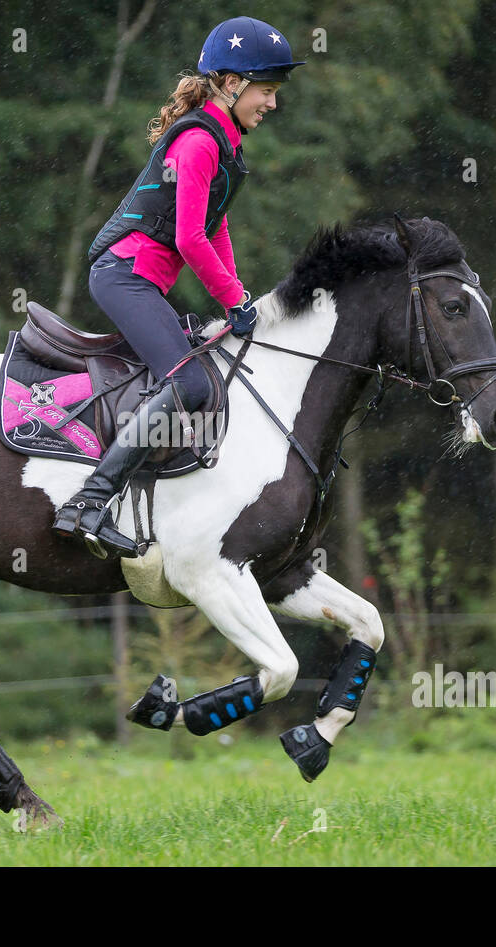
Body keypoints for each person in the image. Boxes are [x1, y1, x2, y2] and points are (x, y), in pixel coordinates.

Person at [51, 15, 305, 559]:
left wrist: (239, 294)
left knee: (196, 376)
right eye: (267, 91)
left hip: (142, 281)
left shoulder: (224, 142)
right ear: (232, 84)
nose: (272, 104)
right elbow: (191, 239)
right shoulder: (198, 143)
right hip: (124, 276)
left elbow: (217, 225)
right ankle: (88, 503)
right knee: (191, 385)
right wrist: (232, 300)